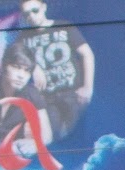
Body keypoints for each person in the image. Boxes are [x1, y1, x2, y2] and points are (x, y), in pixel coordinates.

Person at [13, 0, 91, 140]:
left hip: (72, 93)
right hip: (47, 99)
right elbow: (15, 59)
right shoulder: (23, 37)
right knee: (54, 138)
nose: (31, 16)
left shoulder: (63, 26)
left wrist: (88, 87)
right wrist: (34, 67)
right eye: (27, 14)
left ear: (44, 7)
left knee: (79, 138)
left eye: (35, 10)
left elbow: (87, 54)